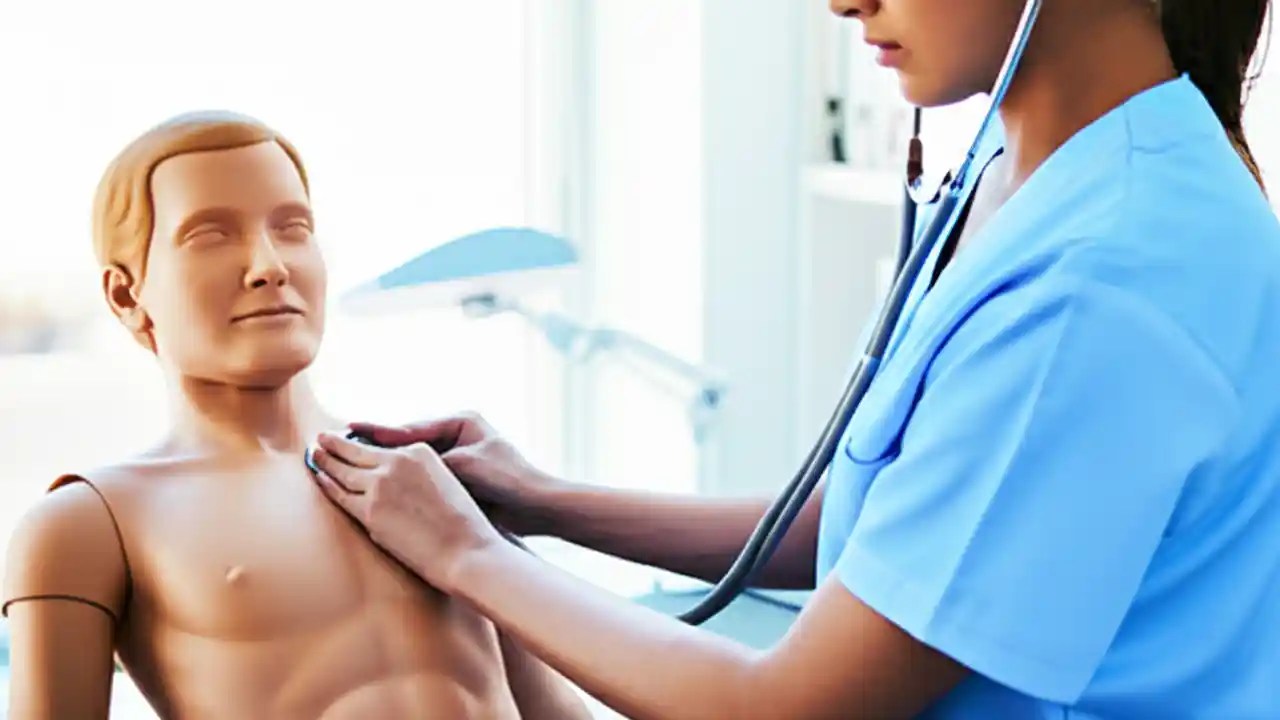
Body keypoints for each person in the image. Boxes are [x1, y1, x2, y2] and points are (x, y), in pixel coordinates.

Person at [308, 0, 1280, 718]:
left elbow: (790, 708)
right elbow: (890, 536)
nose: (842, 2)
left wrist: (465, 552)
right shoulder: (1030, 174)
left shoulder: (1101, 279)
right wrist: (539, 501)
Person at [1, 112, 590, 720]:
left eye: (292, 228)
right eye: (211, 235)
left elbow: (554, 709)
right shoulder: (91, 526)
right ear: (127, 295)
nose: (269, 265)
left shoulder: (431, 482)